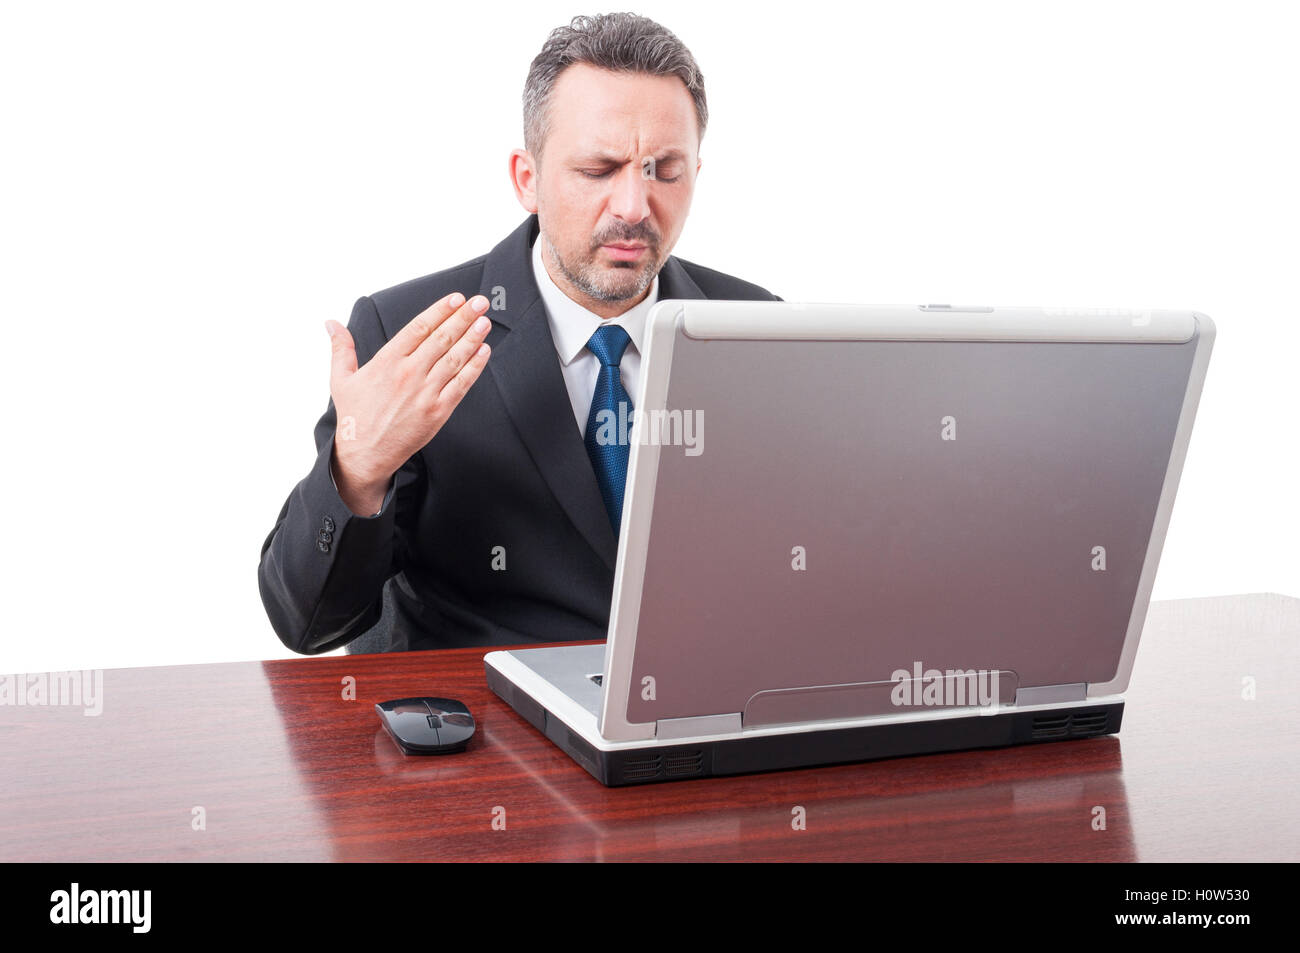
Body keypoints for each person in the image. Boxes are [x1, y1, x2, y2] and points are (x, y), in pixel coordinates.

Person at [258, 13, 781, 655]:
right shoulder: (410, 334)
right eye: (598, 169)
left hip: (694, 723)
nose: (634, 207)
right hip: (486, 733)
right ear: (526, 179)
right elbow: (306, 623)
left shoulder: (758, 331)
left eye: (664, 170)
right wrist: (358, 468)